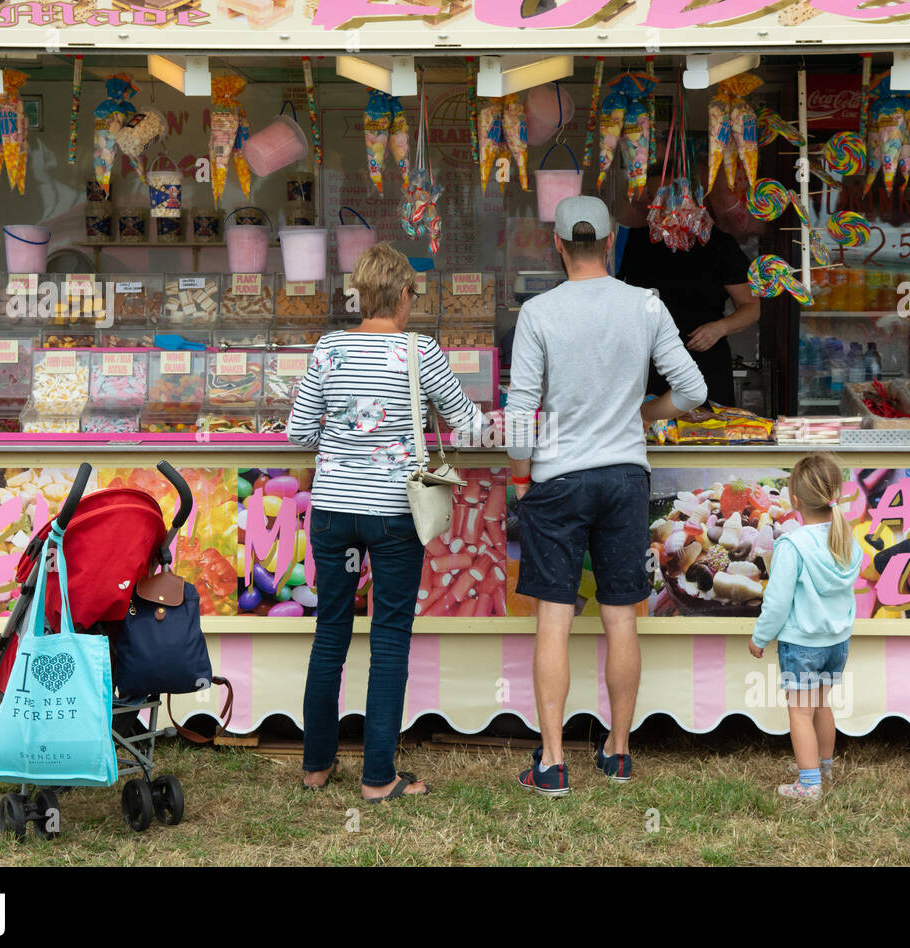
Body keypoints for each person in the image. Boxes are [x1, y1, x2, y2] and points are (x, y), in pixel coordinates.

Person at [506, 196, 707, 796]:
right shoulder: (645, 304)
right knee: (622, 617)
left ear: (559, 245)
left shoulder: (538, 312)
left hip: (559, 479)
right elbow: (691, 390)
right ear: (614, 239)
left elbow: (520, 415)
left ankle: (551, 763)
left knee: (554, 622)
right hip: (624, 478)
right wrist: (645, 416)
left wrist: (522, 477)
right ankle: (618, 752)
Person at [288, 242, 482, 803]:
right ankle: (378, 778)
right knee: (389, 638)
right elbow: (466, 424)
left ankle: (316, 767)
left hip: (332, 513)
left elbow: (300, 433)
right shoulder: (420, 351)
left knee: (330, 634)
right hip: (396, 515)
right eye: (414, 294)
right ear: (401, 294)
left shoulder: (327, 349)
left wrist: (345, 438)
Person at [747, 452, 863, 801]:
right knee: (822, 705)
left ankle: (809, 784)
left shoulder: (792, 545)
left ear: (795, 499)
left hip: (802, 645)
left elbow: (778, 602)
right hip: (836, 643)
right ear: (836, 495)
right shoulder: (846, 539)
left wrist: (760, 637)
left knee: (800, 712)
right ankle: (823, 768)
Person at [617, 171, 760, 407]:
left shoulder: (719, 244)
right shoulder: (633, 241)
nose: (652, 203)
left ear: (687, 200)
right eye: (651, 195)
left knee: (706, 435)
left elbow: (752, 307)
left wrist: (720, 328)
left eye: (659, 196)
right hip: (647, 364)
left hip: (703, 362)